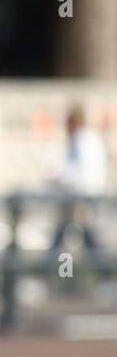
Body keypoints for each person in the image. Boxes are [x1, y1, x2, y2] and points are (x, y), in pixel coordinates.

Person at [47, 105, 110, 277]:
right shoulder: (83, 140)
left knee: (83, 237)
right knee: (73, 236)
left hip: (82, 196)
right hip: (79, 195)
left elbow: (83, 172)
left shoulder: (83, 140)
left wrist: (59, 178)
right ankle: (60, 275)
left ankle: (57, 275)